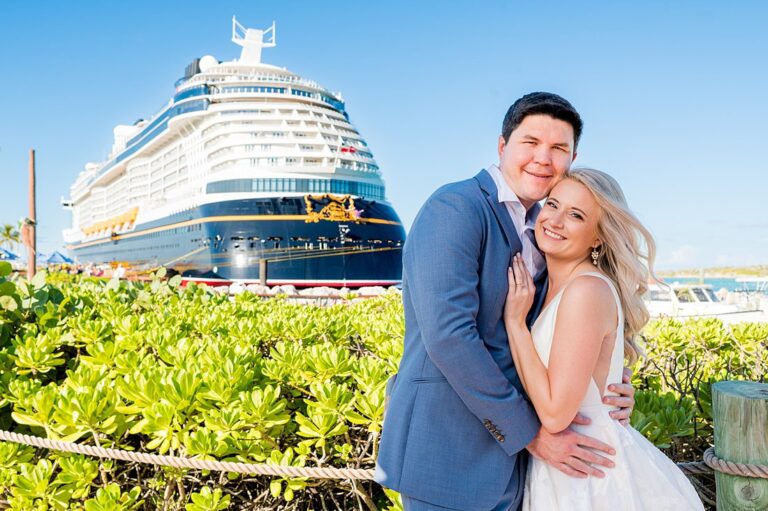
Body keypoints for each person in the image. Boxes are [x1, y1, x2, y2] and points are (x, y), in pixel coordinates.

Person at [375, 92, 636, 510]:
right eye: (530, 143)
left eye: (558, 149)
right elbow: (449, 337)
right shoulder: (456, 207)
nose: (543, 159)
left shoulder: (546, 229)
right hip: (450, 455)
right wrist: (531, 435)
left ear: (572, 157)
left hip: (523, 469)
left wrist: (604, 389)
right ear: (502, 146)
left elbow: (561, 334)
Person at [504, 168, 703, 509]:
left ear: (597, 237)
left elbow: (554, 416)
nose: (555, 220)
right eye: (552, 205)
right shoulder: (553, 287)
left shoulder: (586, 290)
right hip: (570, 462)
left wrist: (514, 322)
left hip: (589, 471)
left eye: (576, 215)